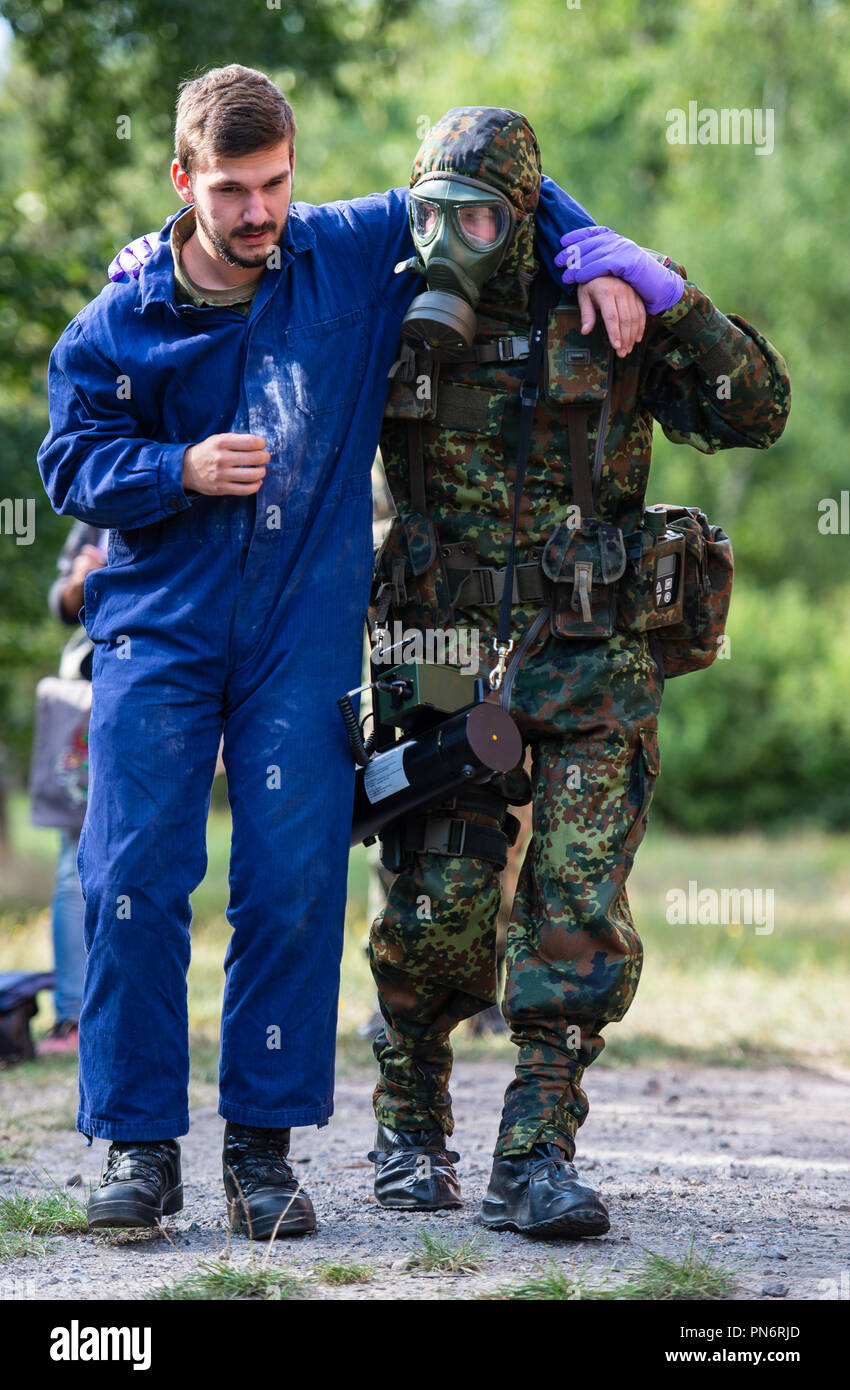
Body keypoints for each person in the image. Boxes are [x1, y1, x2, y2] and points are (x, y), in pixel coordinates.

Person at [37, 67, 628, 1238]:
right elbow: (69, 459)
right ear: (182, 182)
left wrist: (597, 246)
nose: (259, 212)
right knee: (130, 887)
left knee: (292, 888)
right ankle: (140, 1149)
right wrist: (175, 470)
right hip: (157, 633)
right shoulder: (122, 317)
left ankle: (261, 1156)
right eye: (232, 190)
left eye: (274, 184)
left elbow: (484, 178)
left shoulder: (347, 251)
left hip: (295, 645)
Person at [365, 107, 791, 1237]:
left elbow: (757, 412)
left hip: (589, 654)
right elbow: (244, 311)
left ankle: (535, 1152)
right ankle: (409, 1128)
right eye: (435, 210)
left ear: (522, 215)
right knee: (438, 909)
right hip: (437, 654)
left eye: (482, 212)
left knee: (573, 912)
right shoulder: (380, 300)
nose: (455, 232)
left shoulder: (602, 300)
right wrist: (161, 261)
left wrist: (672, 298)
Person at [38, 523, 107, 1055]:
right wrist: (84, 582)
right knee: (73, 864)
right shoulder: (98, 498)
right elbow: (61, 603)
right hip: (88, 693)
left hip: (169, 681)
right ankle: (73, 1017)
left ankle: (126, 1013)